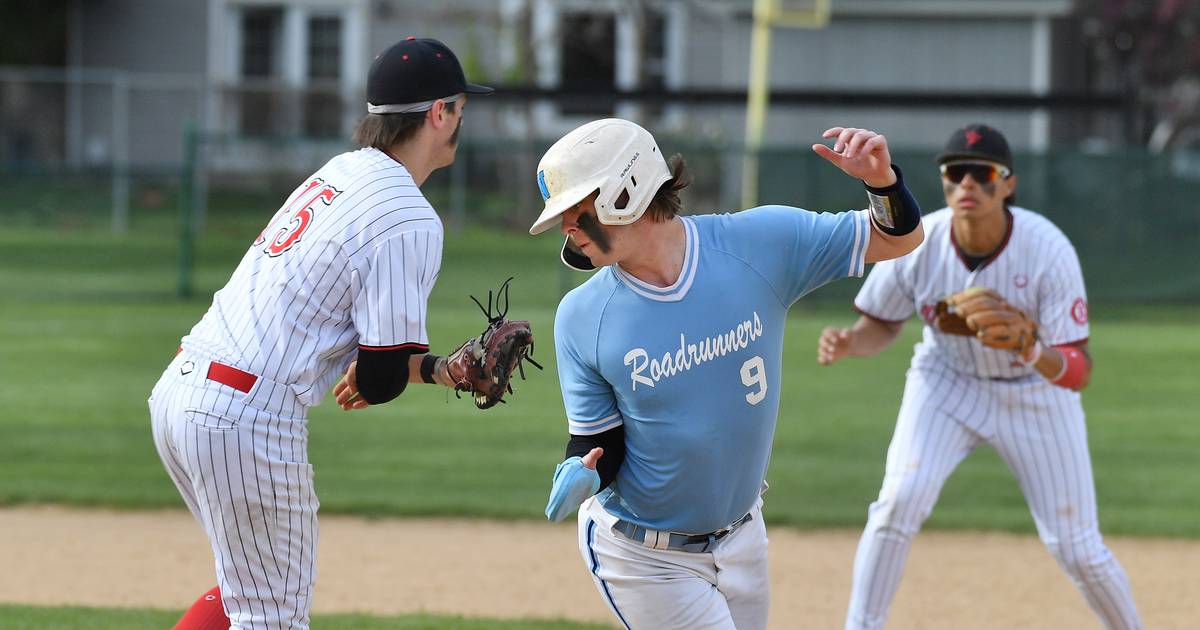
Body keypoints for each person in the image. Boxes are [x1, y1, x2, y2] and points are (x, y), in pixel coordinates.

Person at [148, 37, 493, 630]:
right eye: (459, 106)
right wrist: (395, 372)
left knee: (248, 594)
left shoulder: (341, 172)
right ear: (438, 112)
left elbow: (354, 343)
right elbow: (379, 373)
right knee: (272, 615)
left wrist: (438, 369)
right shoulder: (407, 214)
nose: (462, 118)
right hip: (246, 416)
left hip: (185, 389)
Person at [531, 118, 925, 630]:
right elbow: (598, 440)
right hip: (644, 558)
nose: (566, 229)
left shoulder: (757, 245)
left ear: (624, 190)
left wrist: (881, 183)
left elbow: (897, 239)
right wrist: (583, 469)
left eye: (575, 211)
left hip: (743, 536)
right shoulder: (582, 315)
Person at [818, 123, 1143, 630]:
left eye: (982, 173)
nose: (967, 184)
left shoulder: (1047, 250)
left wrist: (1033, 350)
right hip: (946, 382)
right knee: (896, 504)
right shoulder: (919, 241)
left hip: (1034, 394)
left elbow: (1077, 371)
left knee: (1077, 548)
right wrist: (850, 342)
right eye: (955, 173)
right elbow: (880, 323)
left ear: (1008, 183)